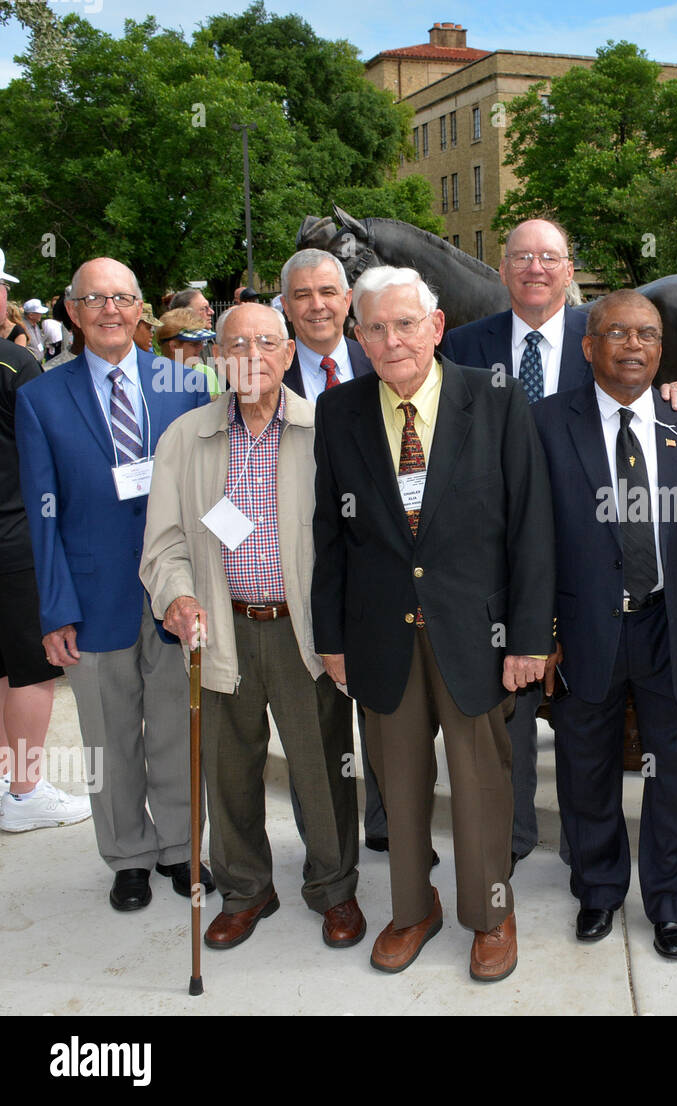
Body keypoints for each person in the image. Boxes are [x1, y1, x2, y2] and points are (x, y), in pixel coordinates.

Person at [312, 265, 555, 979]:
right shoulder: (340, 412)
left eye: (406, 324)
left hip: (479, 633)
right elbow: (329, 533)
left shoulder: (498, 399)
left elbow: (530, 528)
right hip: (380, 635)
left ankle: (491, 914)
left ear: (438, 326)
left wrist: (529, 637)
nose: (393, 341)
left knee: (482, 784)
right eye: (377, 328)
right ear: (358, 337)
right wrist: (332, 640)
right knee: (400, 782)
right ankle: (414, 909)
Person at [441, 219, 677, 872]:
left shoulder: (610, 336)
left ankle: (634, 876)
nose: (535, 267)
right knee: (506, 713)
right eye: (521, 256)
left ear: (569, 269)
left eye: (549, 256)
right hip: (495, 563)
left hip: (597, 571)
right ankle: (511, 835)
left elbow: (651, 413)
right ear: (501, 269)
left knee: (590, 730)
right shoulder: (466, 349)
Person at [140, 302, 365, 950]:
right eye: (236, 344)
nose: (251, 357)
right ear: (217, 356)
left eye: (266, 343)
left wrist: (344, 633)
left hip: (303, 633)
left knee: (322, 770)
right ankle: (245, 889)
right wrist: (178, 599)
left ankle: (333, 888)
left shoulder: (327, 431)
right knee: (228, 772)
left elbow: (355, 543)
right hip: (221, 631)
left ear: (289, 354)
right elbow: (165, 544)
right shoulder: (185, 439)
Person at [532, 290, 677, 959]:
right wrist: (542, 632)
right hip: (584, 630)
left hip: (669, 631)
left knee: (676, 773)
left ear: (661, 349)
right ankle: (597, 891)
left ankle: (670, 904)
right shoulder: (544, 424)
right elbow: (529, 541)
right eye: (615, 332)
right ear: (589, 346)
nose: (631, 345)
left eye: (646, 334)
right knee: (584, 767)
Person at [15, 257, 212, 911]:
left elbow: (204, 494)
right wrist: (54, 611)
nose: (109, 310)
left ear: (139, 312)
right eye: (94, 299)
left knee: (175, 729)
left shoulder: (184, 385)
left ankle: (182, 848)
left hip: (172, 593)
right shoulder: (40, 398)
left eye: (122, 298)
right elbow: (41, 514)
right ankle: (128, 854)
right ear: (72, 311)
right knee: (107, 737)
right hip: (91, 599)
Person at [278, 247, 391, 857]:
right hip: (300, 577)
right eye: (302, 295)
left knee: (387, 718)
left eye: (328, 292)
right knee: (314, 727)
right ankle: (326, 845)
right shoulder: (267, 370)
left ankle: (388, 824)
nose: (317, 305)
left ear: (348, 301)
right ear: (286, 306)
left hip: (379, 576)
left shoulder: (387, 357)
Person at [0, 276, 91, 833]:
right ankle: (26, 788)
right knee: (30, 670)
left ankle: (11, 780)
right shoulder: (13, 363)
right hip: (15, 535)